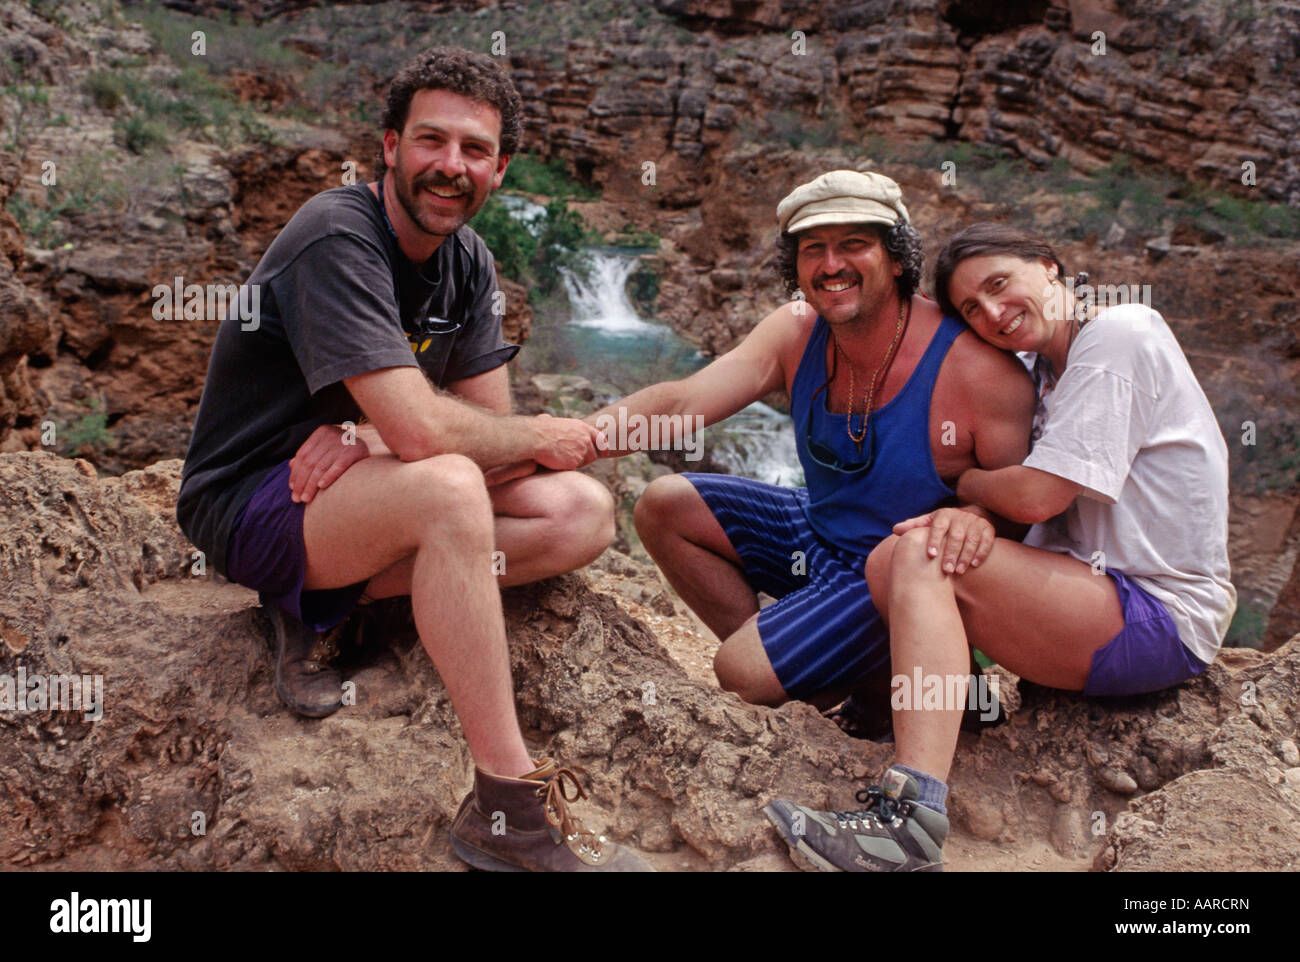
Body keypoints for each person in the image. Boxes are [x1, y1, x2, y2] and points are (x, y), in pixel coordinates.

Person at [177, 47, 649, 872]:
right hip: (253, 499)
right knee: (450, 488)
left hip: (361, 493)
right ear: (390, 145)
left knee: (582, 512)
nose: (450, 166)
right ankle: (509, 806)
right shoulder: (337, 234)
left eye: (474, 150)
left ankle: (320, 609)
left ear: (500, 169)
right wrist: (455, 430)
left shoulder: (467, 264)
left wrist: (374, 433)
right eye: (431, 141)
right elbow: (471, 442)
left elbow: (485, 435)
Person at [764, 222, 1237, 872]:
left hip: (1159, 615)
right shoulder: (1046, 373)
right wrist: (981, 512)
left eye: (999, 285)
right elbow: (1030, 500)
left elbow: (1042, 496)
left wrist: (971, 482)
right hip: (1086, 597)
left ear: (1048, 266)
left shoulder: (1121, 333)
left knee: (922, 556)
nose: (992, 314)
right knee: (888, 563)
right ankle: (960, 705)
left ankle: (909, 825)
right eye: (971, 310)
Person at [591, 172, 1036, 712]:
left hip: (896, 573)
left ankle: (886, 676)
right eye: (812, 250)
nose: (831, 266)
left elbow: (1019, 513)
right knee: (664, 506)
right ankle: (817, 675)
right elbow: (684, 403)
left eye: (854, 245)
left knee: (739, 672)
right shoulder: (797, 330)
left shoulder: (977, 371)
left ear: (896, 257)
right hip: (818, 527)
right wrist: (575, 439)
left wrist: (977, 517)